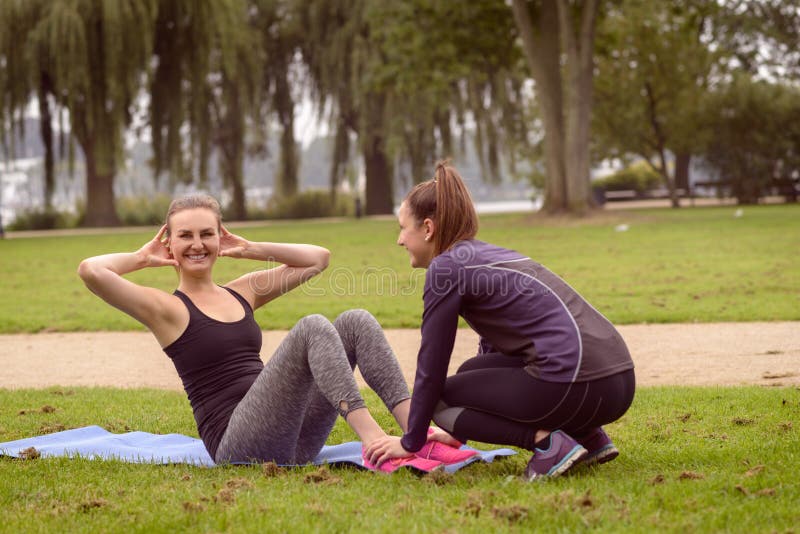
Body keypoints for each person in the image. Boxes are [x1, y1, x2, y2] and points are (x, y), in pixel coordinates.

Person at [77, 193, 470, 472]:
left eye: (206, 234)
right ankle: (373, 442)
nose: (197, 244)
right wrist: (143, 258)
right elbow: (92, 271)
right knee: (313, 327)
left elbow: (318, 259)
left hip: (291, 439)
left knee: (355, 320)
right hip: (238, 444)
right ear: (170, 242)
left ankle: (416, 433)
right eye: (185, 236)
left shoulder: (243, 290)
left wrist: (249, 248)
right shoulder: (166, 309)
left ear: (219, 237)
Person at [365, 162, 636, 480]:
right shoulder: (487, 254)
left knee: (439, 397)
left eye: (402, 228)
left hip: (575, 385)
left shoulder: (446, 268)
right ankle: (590, 438)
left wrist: (411, 440)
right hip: (618, 384)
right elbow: (493, 349)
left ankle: (548, 446)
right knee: (471, 372)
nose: (399, 240)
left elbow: (431, 365)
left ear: (427, 228)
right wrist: (461, 428)